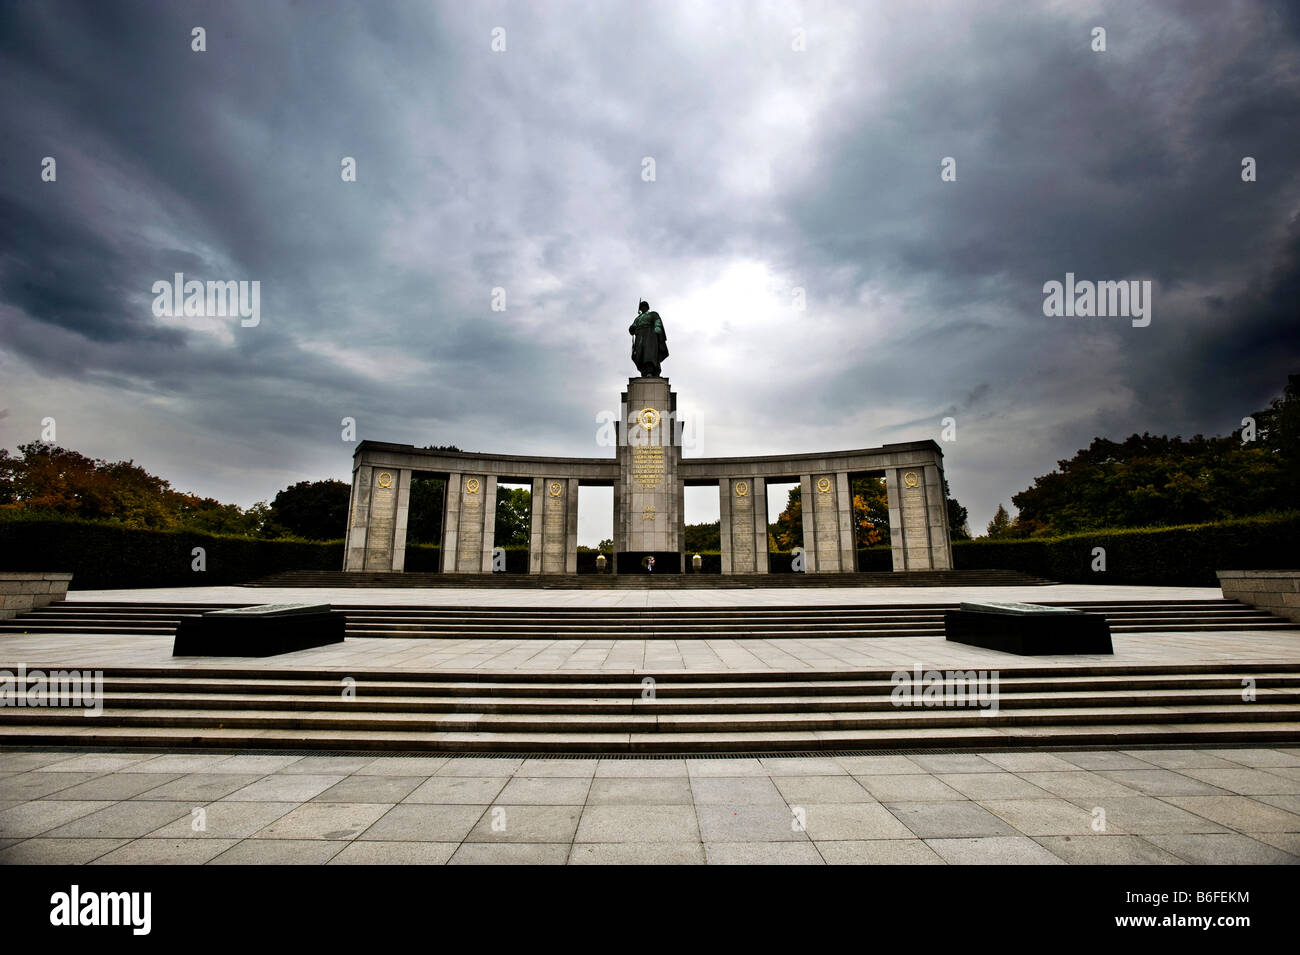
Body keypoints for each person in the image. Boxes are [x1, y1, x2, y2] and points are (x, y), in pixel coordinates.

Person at [629, 301, 668, 376]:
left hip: (650, 334)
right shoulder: (638, 318)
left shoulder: (652, 314)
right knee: (640, 353)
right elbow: (633, 326)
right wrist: (632, 328)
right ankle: (644, 371)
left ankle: (650, 370)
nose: (643, 308)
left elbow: (657, 320)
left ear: (647, 307)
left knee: (649, 352)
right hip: (639, 335)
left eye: (644, 306)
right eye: (642, 307)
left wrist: (657, 326)